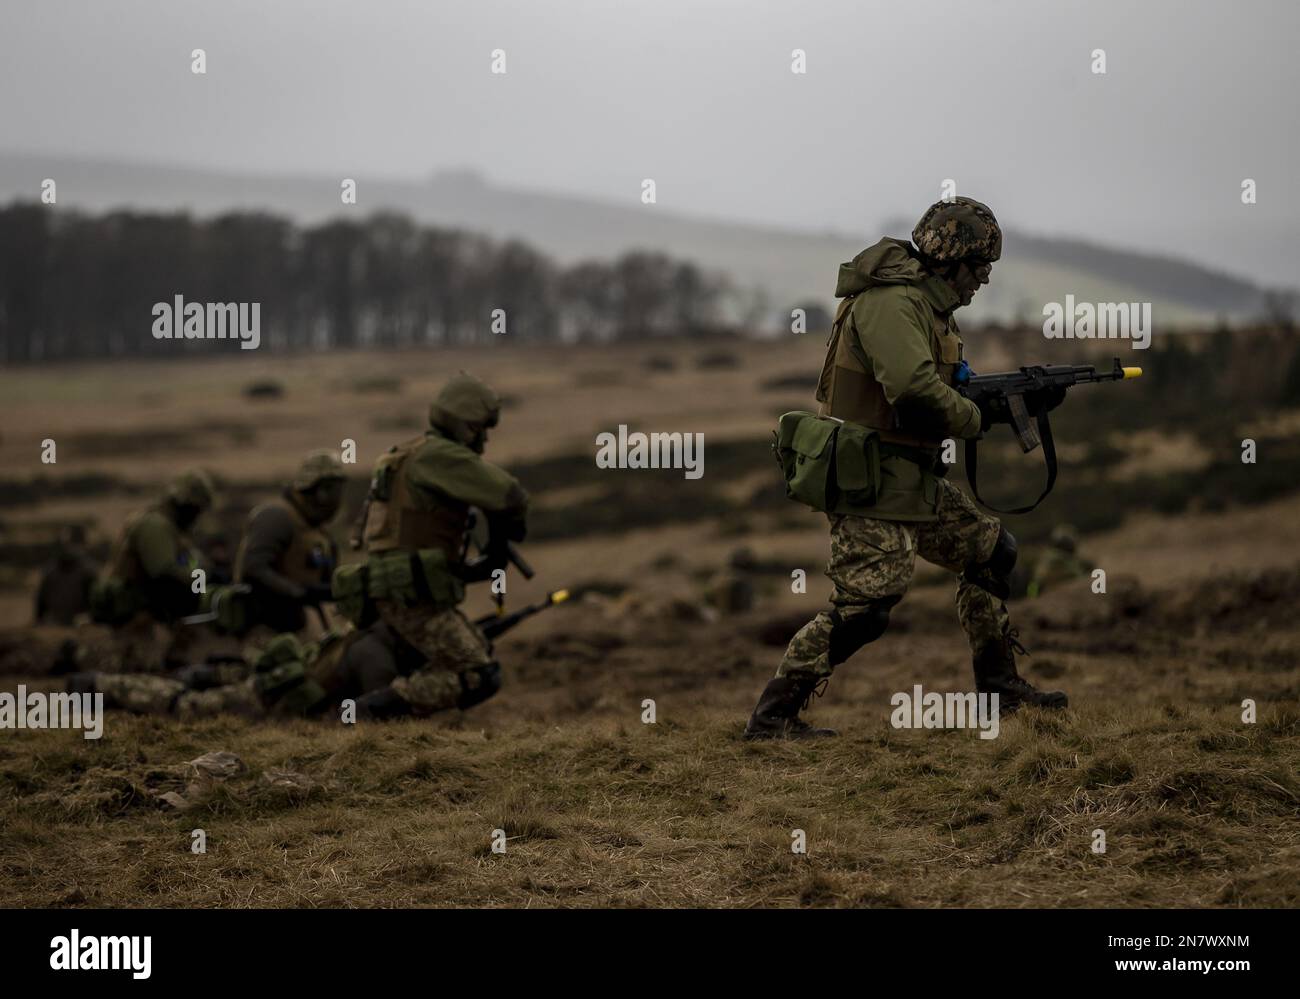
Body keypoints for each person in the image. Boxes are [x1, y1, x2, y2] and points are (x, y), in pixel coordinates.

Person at [744, 197, 1068, 740]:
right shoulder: (893, 303)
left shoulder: (924, 305)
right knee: (866, 608)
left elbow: (934, 386)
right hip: (871, 479)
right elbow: (912, 389)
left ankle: (1000, 692)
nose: (984, 280)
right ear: (952, 260)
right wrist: (972, 417)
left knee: (992, 552)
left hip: (907, 478)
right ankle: (774, 716)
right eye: (980, 267)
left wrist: (999, 398)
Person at [346, 372, 529, 718]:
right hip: (413, 593)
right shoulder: (439, 457)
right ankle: (364, 714)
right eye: (478, 428)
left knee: (463, 656)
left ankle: (386, 725)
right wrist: (505, 535)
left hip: (395, 587)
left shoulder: (404, 453)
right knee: (477, 674)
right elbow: (511, 495)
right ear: (461, 423)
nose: (484, 439)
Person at [90, 470, 215, 671]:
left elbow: (189, 561)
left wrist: (202, 570)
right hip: (131, 605)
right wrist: (199, 578)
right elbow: (163, 570)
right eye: (195, 510)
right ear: (184, 505)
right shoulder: (154, 525)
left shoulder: (169, 528)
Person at [233, 450, 345, 637]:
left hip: (306, 621)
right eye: (329, 490)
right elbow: (253, 568)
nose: (335, 500)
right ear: (315, 490)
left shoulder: (319, 534)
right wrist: (297, 592)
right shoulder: (277, 518)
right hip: (268, 626)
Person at [34, 525, 99, 626]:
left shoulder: (88, 571)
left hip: (77, 623)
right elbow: (41, 606)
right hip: (59, 623)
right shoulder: (51, 570)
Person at [1027, 524, 1094, 597]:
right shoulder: (1058, 557)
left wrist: (1032, 596)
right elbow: (1078, 576)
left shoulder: (1050, 555)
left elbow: (1035, 582)